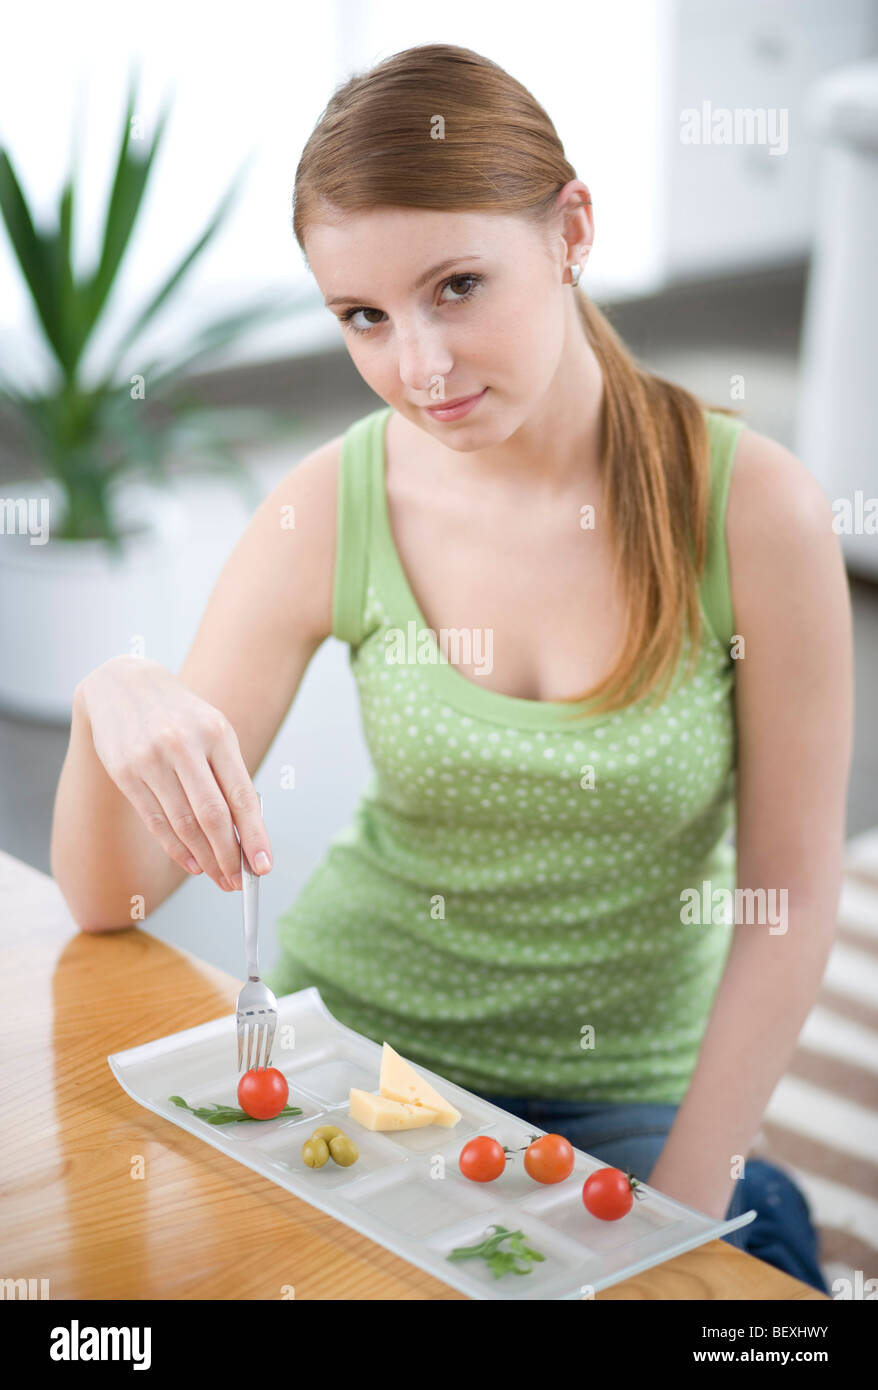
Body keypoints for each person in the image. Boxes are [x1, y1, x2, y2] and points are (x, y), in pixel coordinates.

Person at [53, 44, 851, 1297]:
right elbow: (115, 898)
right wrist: (114, 697)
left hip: (624, 1099)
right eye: (363, 317)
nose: (417, 366)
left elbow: (789, 898)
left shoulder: (755, 510)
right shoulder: (331, 501)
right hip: (355, 1056)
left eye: (457, 286)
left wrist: (673, 1217)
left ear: (570, 230)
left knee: (751, 1298)